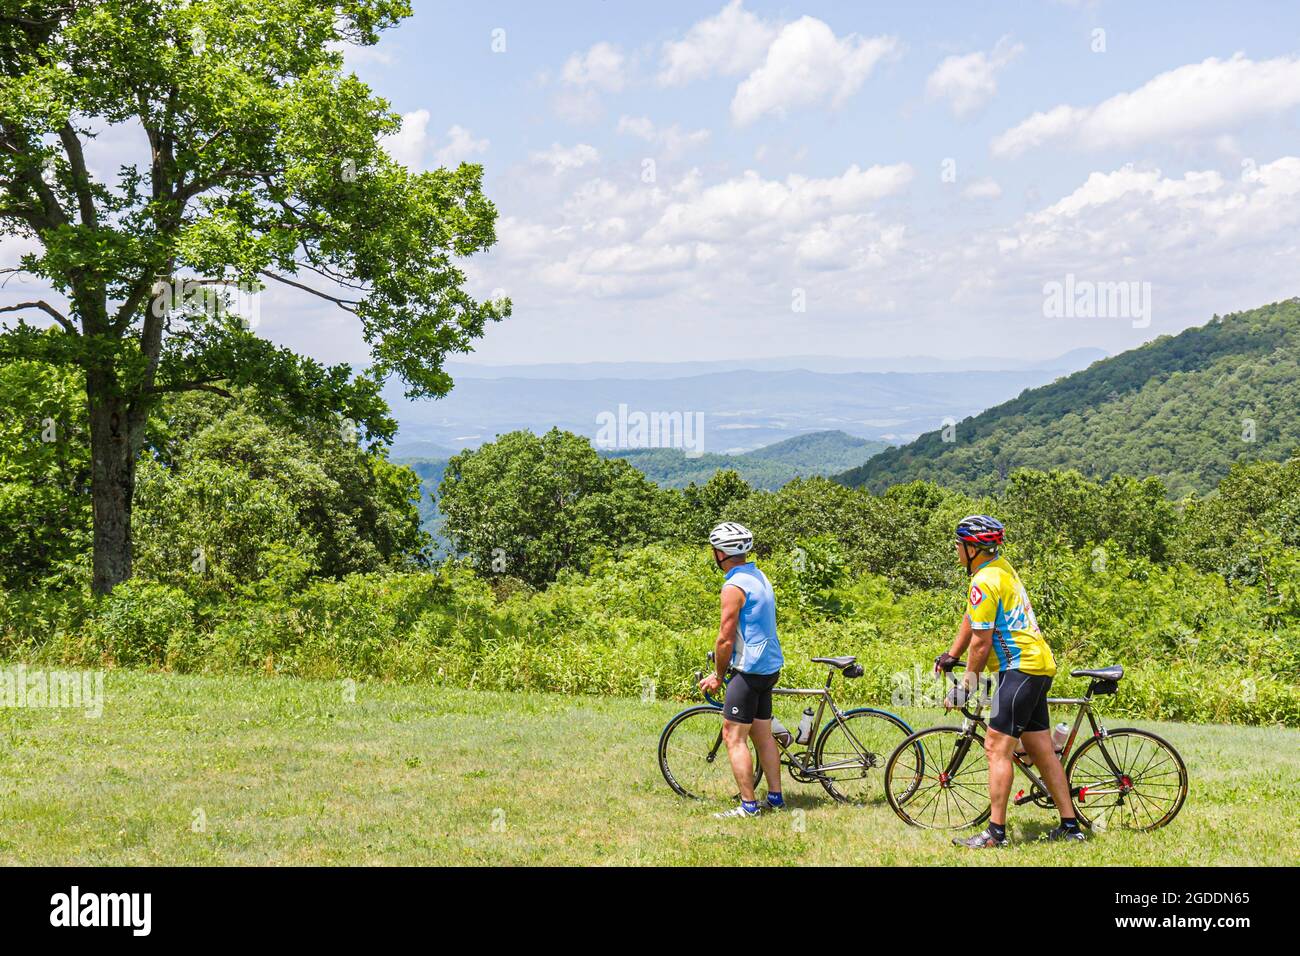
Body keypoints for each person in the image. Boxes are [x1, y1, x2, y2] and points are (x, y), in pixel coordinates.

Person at [934, 515, 1086, 846]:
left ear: (973, 548)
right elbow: (974, 618)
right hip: (1038, 664)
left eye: (959, 545)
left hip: (1020, 668)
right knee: (1042, 751)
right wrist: (951, 653)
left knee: (995, 747)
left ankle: (995, 834)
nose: (956, 550)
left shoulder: (983, 581)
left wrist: (965, 686)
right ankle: (1071, 828)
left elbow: (981, 641)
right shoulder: (999, 568)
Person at [698, 522, 784, 819]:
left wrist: (719, 676)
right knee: (763, 736)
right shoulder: (759, 576)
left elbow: (725, 637)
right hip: (769, 667)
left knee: (733, 737)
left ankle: (748, 806)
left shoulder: (733, 587)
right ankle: (775, 797)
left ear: (721, 553)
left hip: (748, 671)